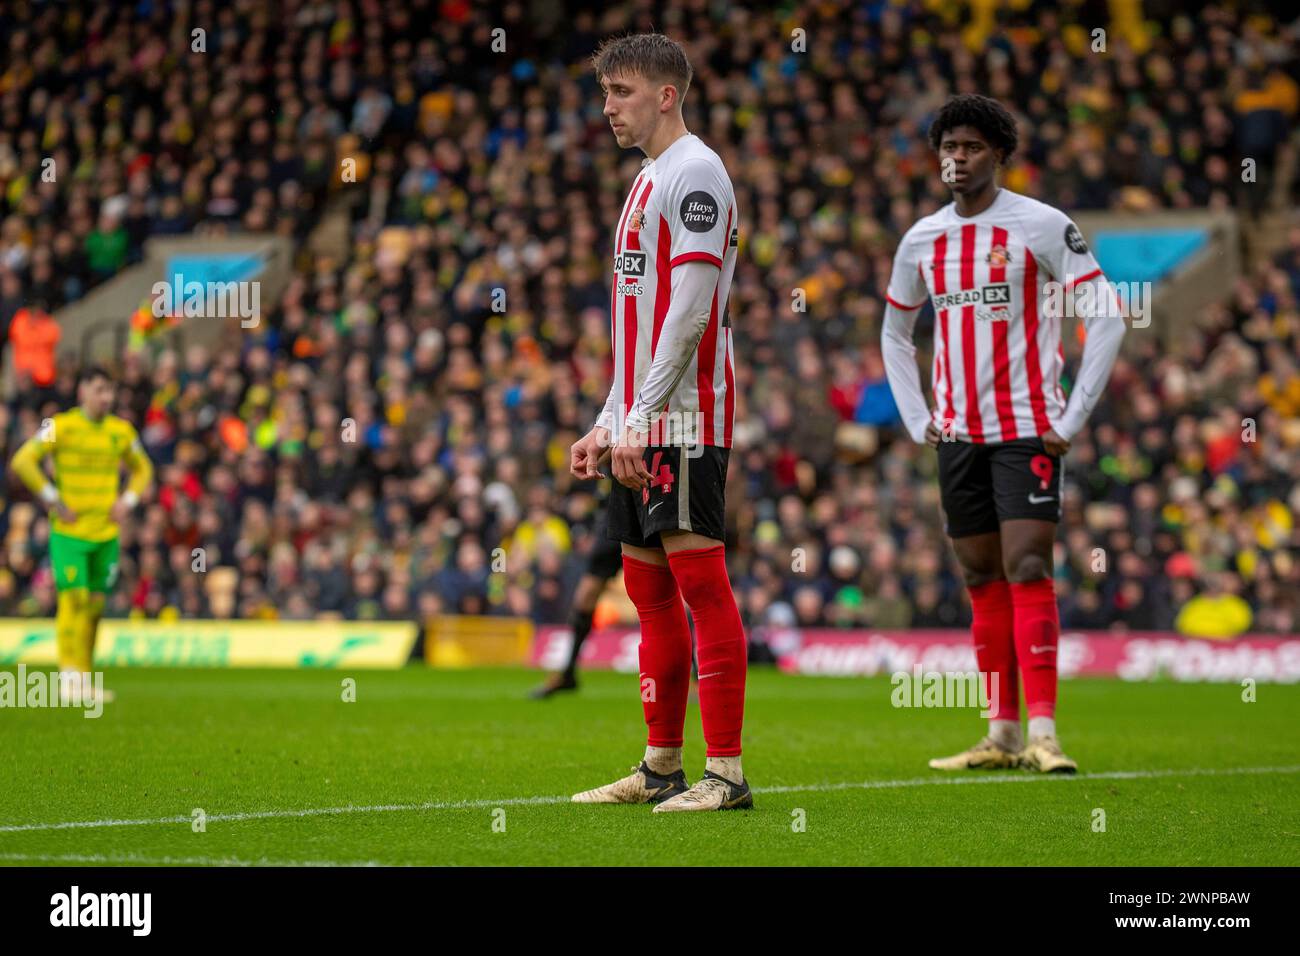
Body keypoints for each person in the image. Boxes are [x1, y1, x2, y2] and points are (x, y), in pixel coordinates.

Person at [880, 94, 1127, 774]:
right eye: (948, 148)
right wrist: (916, 415)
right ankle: (1003, 733)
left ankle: (1045, 734)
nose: (957, 159)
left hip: (1027, 430)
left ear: (999, 155)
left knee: (1026, 565)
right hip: (956, 434)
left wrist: (1071, 416)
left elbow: (1105, 316)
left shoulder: (1041, 226)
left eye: (971, 148)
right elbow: (895, 334)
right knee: (980, 574)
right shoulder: (923, 240)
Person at [568, 33, 750, 811]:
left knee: (702, 588)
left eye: (622, 92)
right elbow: (633, 322)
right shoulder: (646, 181)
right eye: (606, 93)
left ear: (666, 95)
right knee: (648, 595)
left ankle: (728, 775)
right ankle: (661, 766)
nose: (607, 107)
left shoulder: (696, 172)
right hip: (642, 421)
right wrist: (607, 420)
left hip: (683, 418)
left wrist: (642, 417)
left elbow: (689, 311)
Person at [10, 365, 154, 703]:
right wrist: (53, 499)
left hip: (106, 534)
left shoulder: (121, 431)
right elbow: (22, 461)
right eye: (100, 390)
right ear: (82, 392)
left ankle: (85, 678)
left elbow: (143, 468)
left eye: (110, 391)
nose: (107, 397)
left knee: (95, 607)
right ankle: (68, 678)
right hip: (69, 532)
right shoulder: (59, 427)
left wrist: (128, 500)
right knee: (72, 599)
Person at [530, 482, 625, 698]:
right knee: (585, 597)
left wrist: (597, 447)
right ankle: (568, 672)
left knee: (672, 588)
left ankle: (696, 674)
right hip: (615, 509)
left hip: (647, 501)